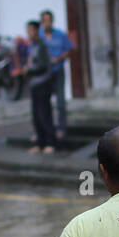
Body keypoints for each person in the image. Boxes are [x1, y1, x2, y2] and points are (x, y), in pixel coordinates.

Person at [39, 9, 75, 139]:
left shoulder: (60, 35)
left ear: (52, 21)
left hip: (58, 70)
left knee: (60, 101)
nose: (47, 23)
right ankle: (48, 128)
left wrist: (58, 58)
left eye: (49, 20)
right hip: (45, 72)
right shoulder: (40, 36)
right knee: (44, 102)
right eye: (44, 21)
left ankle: (61, 127)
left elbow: (69, 50)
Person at [25, 19, 56, 154]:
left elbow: (44, 67)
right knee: (36, 114)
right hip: (34, 83)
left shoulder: (43, 46)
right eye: (28, 30)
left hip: (43, 83)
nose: (29, 33)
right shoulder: (31, 46)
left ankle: (50, 142)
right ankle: (40, 142)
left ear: (37, 31)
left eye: (31, 30)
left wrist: (29, 71)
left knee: (44, 113)